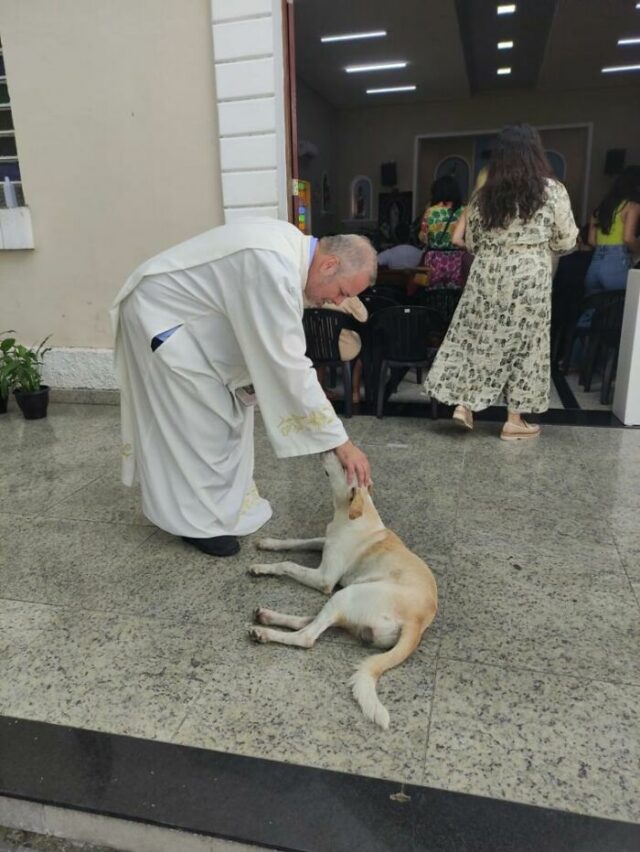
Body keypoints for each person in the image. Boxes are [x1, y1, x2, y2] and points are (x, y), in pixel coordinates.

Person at [111, 220, 376, 557]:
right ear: (328, 264)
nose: (336, 302)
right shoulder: (273, 265)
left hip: (196, 326)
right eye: (341, 292)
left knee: (231, 421)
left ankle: (224, 509)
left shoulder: (288, 254)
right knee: (199, 429)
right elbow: (290, 365)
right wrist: (343, 443)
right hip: (163, 321)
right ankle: (196, 525)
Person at [423, 124, 578, 441]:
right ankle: (514, 420)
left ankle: (465, 406)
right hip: (529, 276)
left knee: (477, 336)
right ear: (535, 153)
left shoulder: (483, 195)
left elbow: (473, 242)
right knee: (526, 345)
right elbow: (566, 240)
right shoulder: (553, 191)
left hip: (487, 273)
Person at [584, 165, 640, 294]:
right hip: (616, 265)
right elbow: (628, 238)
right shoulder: (632, 206)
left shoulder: (601, 208)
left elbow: (591, 241)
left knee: (593, 310)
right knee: (618, 309)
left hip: (595, 264)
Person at [318, 295, 368, 404]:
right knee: (360, 356)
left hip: (316, 347)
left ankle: (320, 390)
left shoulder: (311, 294)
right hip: (343, 350)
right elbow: (364, 317)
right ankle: (355, 393)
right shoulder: (348, 297)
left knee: (319, 359)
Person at [418, 176, 464, 249]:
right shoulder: (464, 211)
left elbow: (423, 238)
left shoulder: (430, 211)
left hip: (434, 257)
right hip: (457, 258)